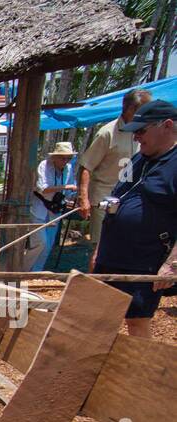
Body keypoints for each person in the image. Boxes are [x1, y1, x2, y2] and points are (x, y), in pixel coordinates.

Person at [92, 98, 177, 338]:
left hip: (144, 259)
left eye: (141, 131)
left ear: (167, 126)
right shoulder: (139, 158)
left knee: (136, 321)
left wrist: (172, 265)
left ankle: (140, 375)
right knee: (95, 315)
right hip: (111, 255)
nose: (136, 137)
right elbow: (117, 199)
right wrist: (100, 248)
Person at [78, 88, 153, 256]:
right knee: (99, 249)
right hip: (105, 199)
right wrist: (83, 198)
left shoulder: (146, 133)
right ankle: (93, 282)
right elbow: (86, 166)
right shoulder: (107, 133)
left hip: (131, 200)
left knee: (125, 247)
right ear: (131, 109)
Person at [26, 141, 78, 272]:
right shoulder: (44, 165)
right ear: (55, 156)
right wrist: (64, 187)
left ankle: (36, 272)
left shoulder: (69, 168)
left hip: (55, 210)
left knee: (48, 245)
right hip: (39, 208)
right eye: (62, 158)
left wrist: (72, 195)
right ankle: (24, 270)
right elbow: (43, 188)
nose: (65, 161)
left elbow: (70, 189)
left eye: (68, 158)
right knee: (40, 243)